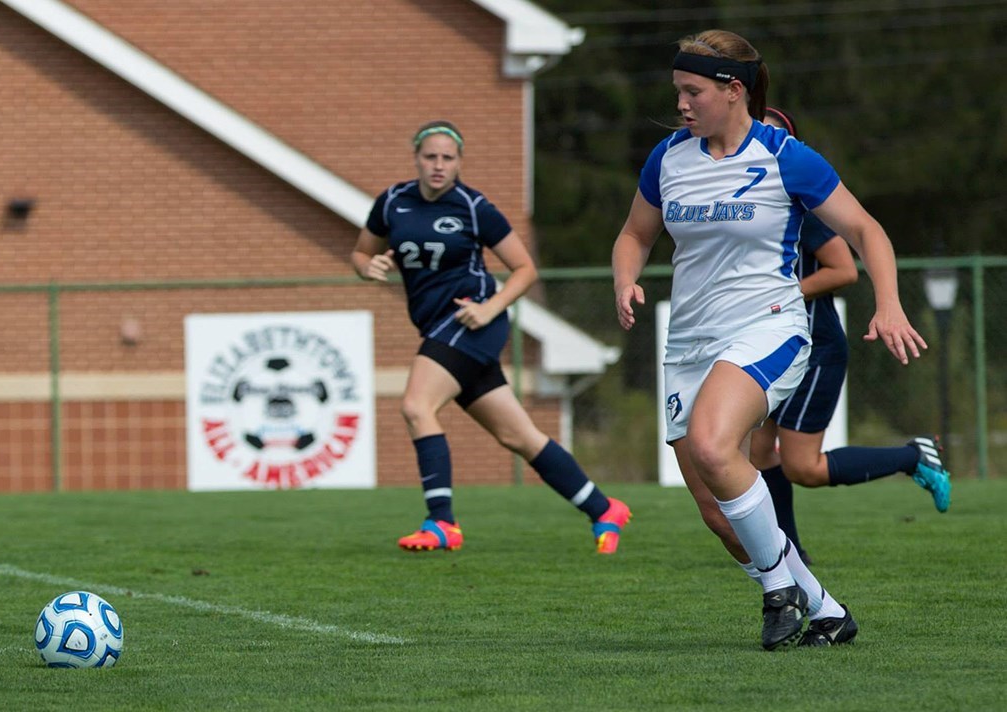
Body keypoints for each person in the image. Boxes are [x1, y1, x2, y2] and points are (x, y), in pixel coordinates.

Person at [612, 30, 927, 649]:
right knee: (717, 513)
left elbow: (867, 231)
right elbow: (634, 234)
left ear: (734, 91)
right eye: (677, 90)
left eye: (692, 91)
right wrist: (625, 278)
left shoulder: (787, 157)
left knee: (712, 442)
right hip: (688, 345)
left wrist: (888, 305)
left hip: (768, 326)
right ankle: (826, 610)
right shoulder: (668, 159)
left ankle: (776, 592)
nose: (680, 103)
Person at [351, 120, 631, 554]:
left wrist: (490, 308)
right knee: (518, 436)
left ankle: (442, 522)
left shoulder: (473, 206)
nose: (439, 165)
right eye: (431, 157)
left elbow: (525, 269)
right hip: (440, 328)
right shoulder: (392, 202)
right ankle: (603, 509)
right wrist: (365, 266)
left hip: (470, 322)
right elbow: (361, 251)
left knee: (415, 405)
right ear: (417, 159)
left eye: (448, 158)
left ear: (459, 162)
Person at [749, 107, 952, 564]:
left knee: (803, 467)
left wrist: (782, 294)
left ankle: (911, 456)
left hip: (814, 348)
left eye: (774, 134)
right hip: (765, 342)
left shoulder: (802, 203)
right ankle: (789, 553)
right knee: (758, 452)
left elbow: (844, 270)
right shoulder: (744, 203)